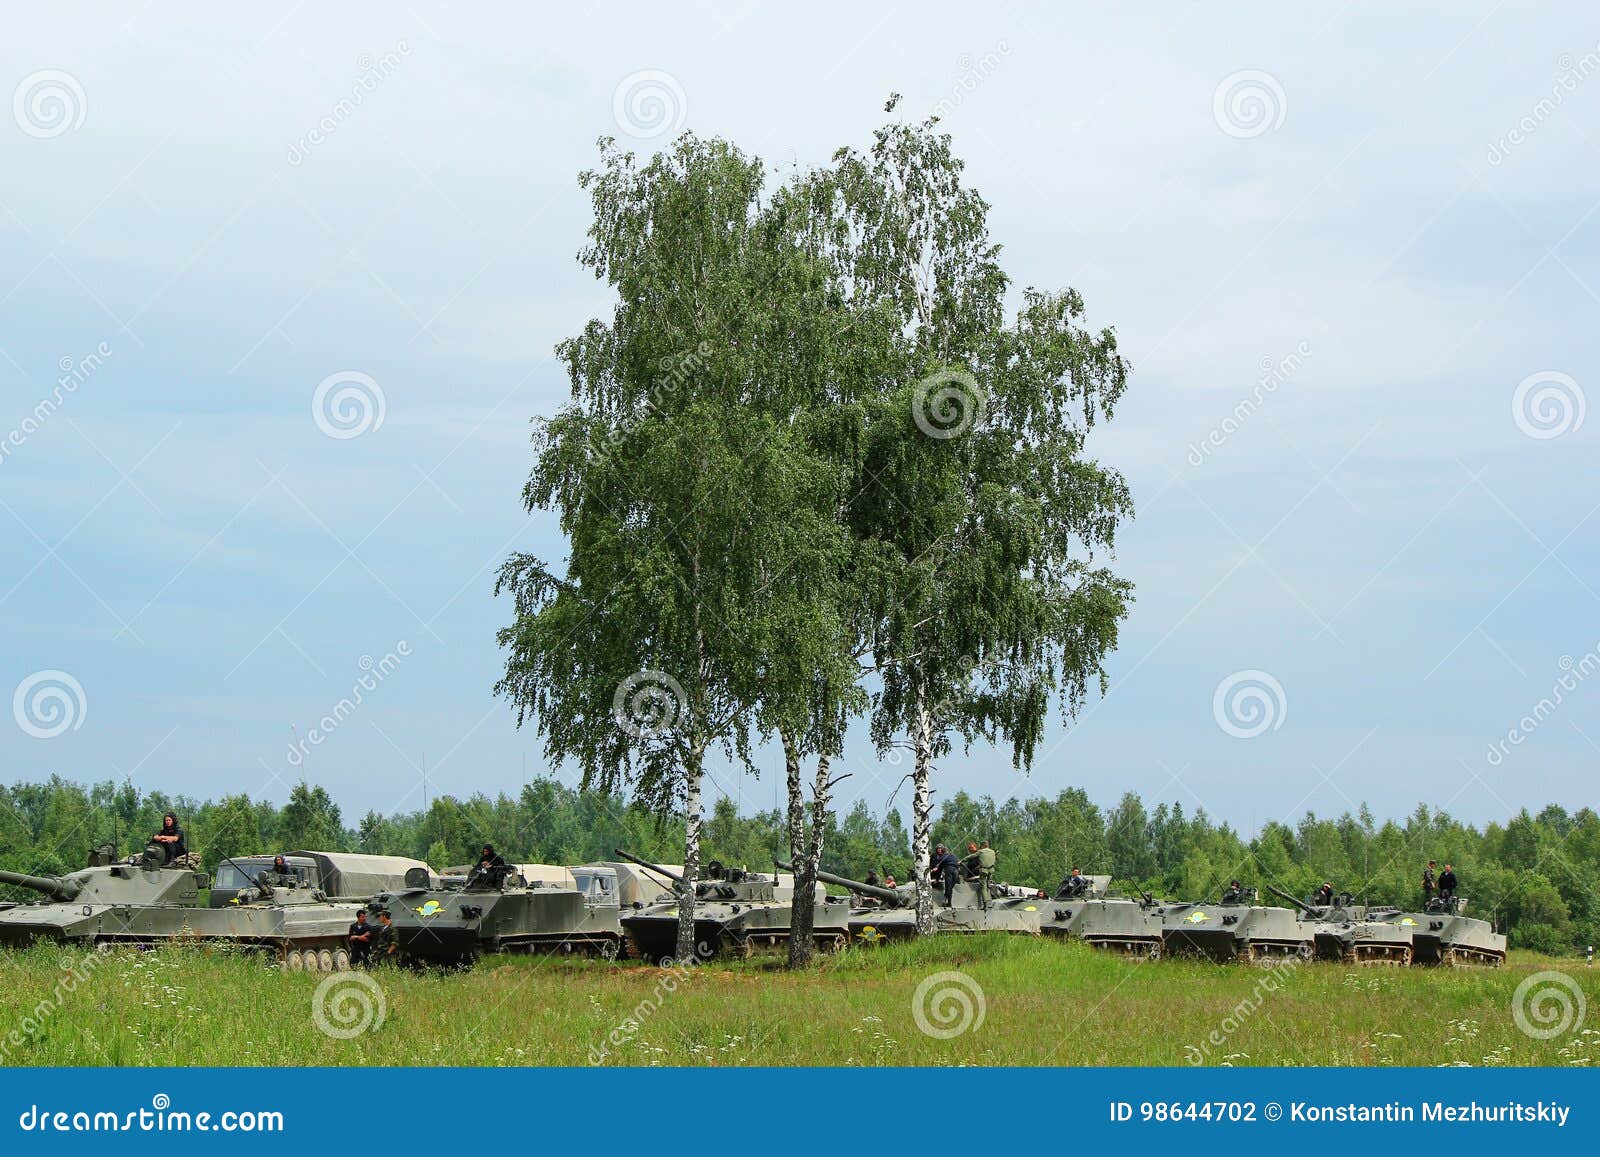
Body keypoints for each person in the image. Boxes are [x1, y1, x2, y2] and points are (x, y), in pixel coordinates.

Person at [974, 842, 997, 908]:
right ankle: (990, 894)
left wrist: (962, 860)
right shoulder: (992, 852)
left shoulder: (981, 851)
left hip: (984, 871)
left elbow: (972, 856)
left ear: (982, 846)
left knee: (983, 887)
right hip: (991, 870)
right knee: (988, 885)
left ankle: (985, 904)